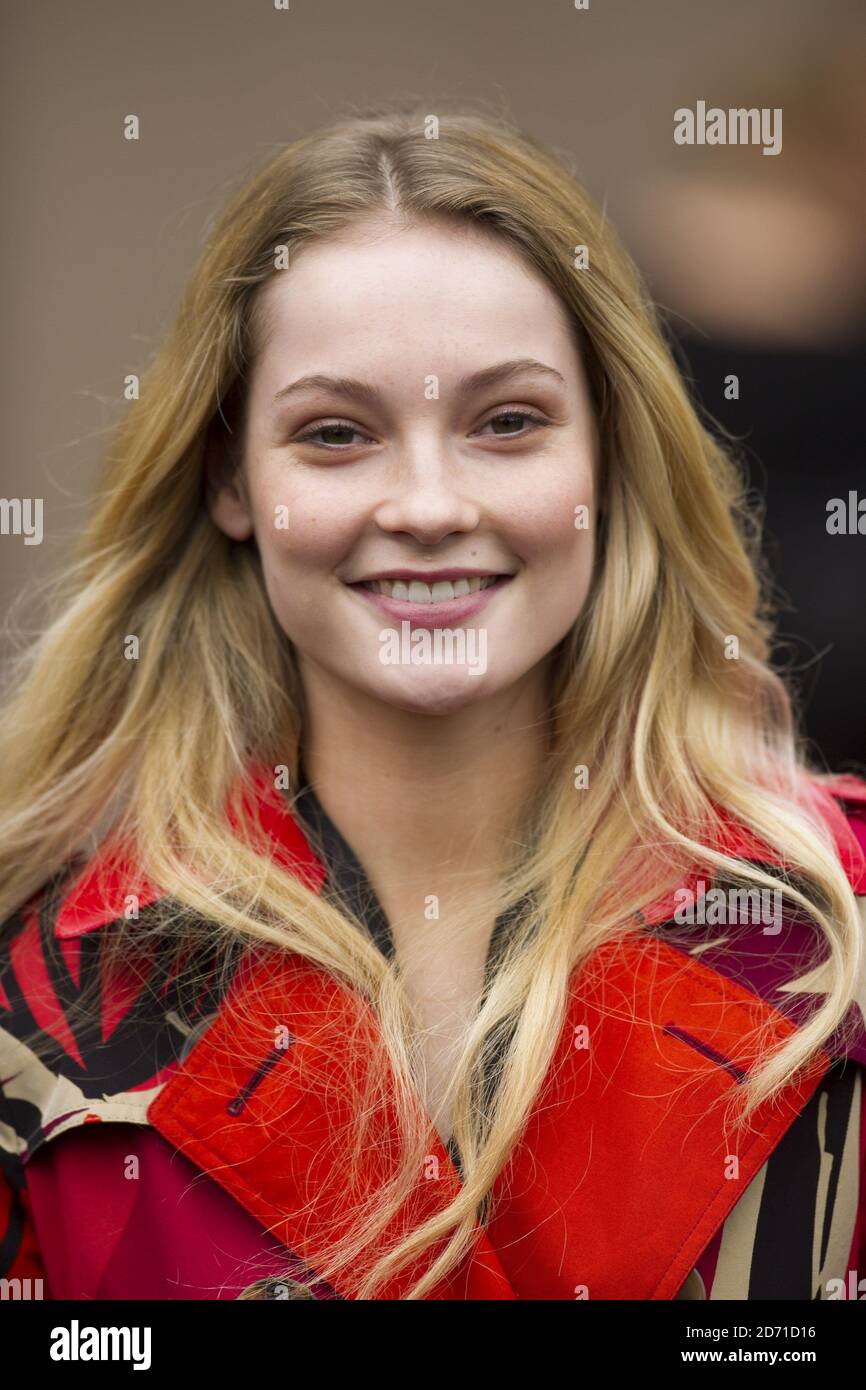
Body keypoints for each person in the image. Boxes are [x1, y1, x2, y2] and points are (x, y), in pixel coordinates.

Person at [0, 103, 864, 1302]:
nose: (425, 502)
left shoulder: (839, 929)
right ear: (229, 480)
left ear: (607, 458)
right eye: (336, 432)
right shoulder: (37, 997)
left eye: (505, 423)